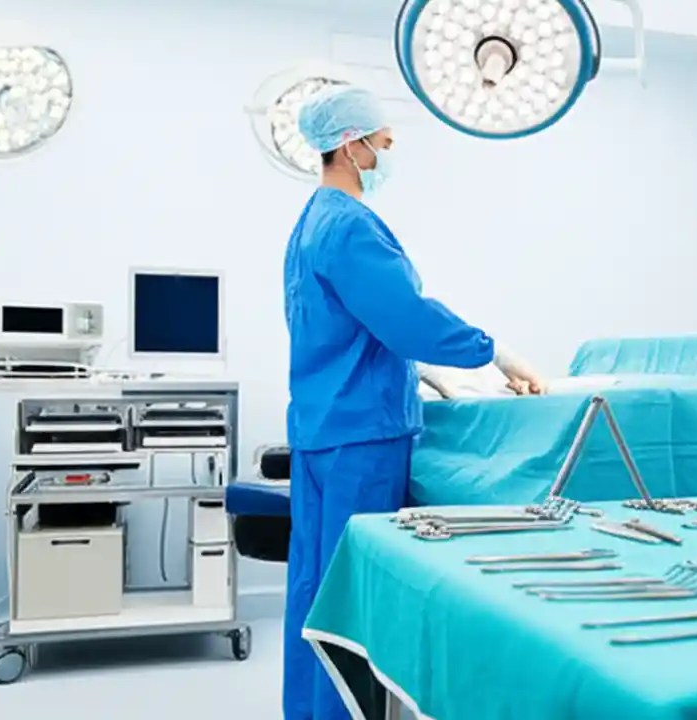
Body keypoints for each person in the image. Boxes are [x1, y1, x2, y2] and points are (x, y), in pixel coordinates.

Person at [281, 85, 545, 720]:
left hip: (321, 429)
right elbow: (405, 315)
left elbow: (344, 325)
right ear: (352, 143)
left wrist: (417, 372)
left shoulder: (311, 222)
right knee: (355, 599)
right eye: (384, 144)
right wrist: (494, 352)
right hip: (361, 438)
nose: (387, 155)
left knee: (316, 590)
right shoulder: (349, 225)